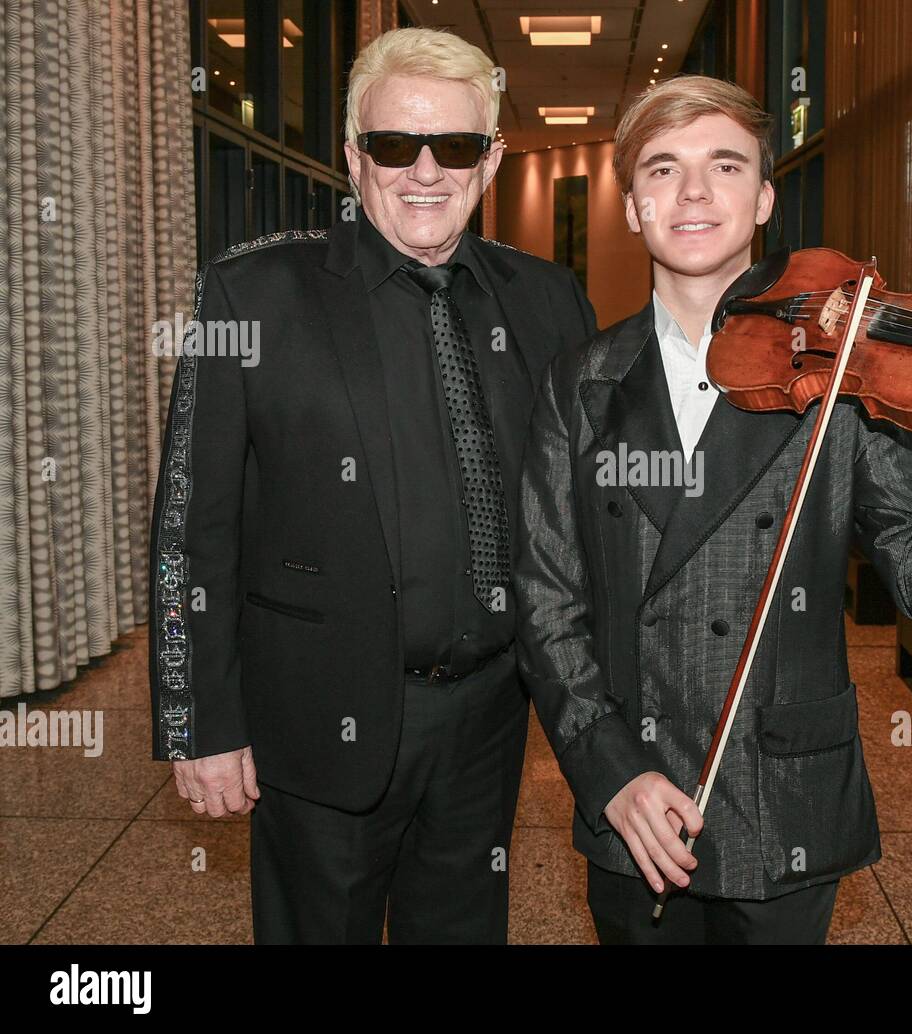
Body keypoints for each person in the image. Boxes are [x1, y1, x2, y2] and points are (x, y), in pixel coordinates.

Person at [512, 75, 912, 944]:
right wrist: (612, 773)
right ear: (632, 207)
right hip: (637, 801)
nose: (695, 192)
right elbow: (547, 603)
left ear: (764, 199)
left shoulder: (843, 373)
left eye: (725, 166)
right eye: (663, 170)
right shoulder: (580, 382)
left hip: (783, 796)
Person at [149, 27, 595, 943]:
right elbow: (193, 525)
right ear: (354, 157)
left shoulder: (549, 301)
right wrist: (200, 719)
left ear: (492, 159)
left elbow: (586, 508)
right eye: (395, 145)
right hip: (316, 719)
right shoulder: (252, 296)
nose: (423, 172)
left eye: (456, 148)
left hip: (489, 721)